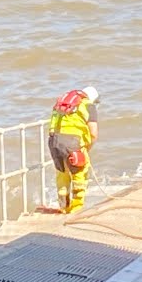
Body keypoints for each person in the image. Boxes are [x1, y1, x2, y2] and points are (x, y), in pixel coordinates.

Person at [48, 85, 98, 214]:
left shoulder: (63, 103)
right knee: (79, 176)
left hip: (54, 142)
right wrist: (87, 147)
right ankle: (75, 211)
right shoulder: (88, 106)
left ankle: (63, 207)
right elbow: (93, 133)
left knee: (62, 174)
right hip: (73, 144)